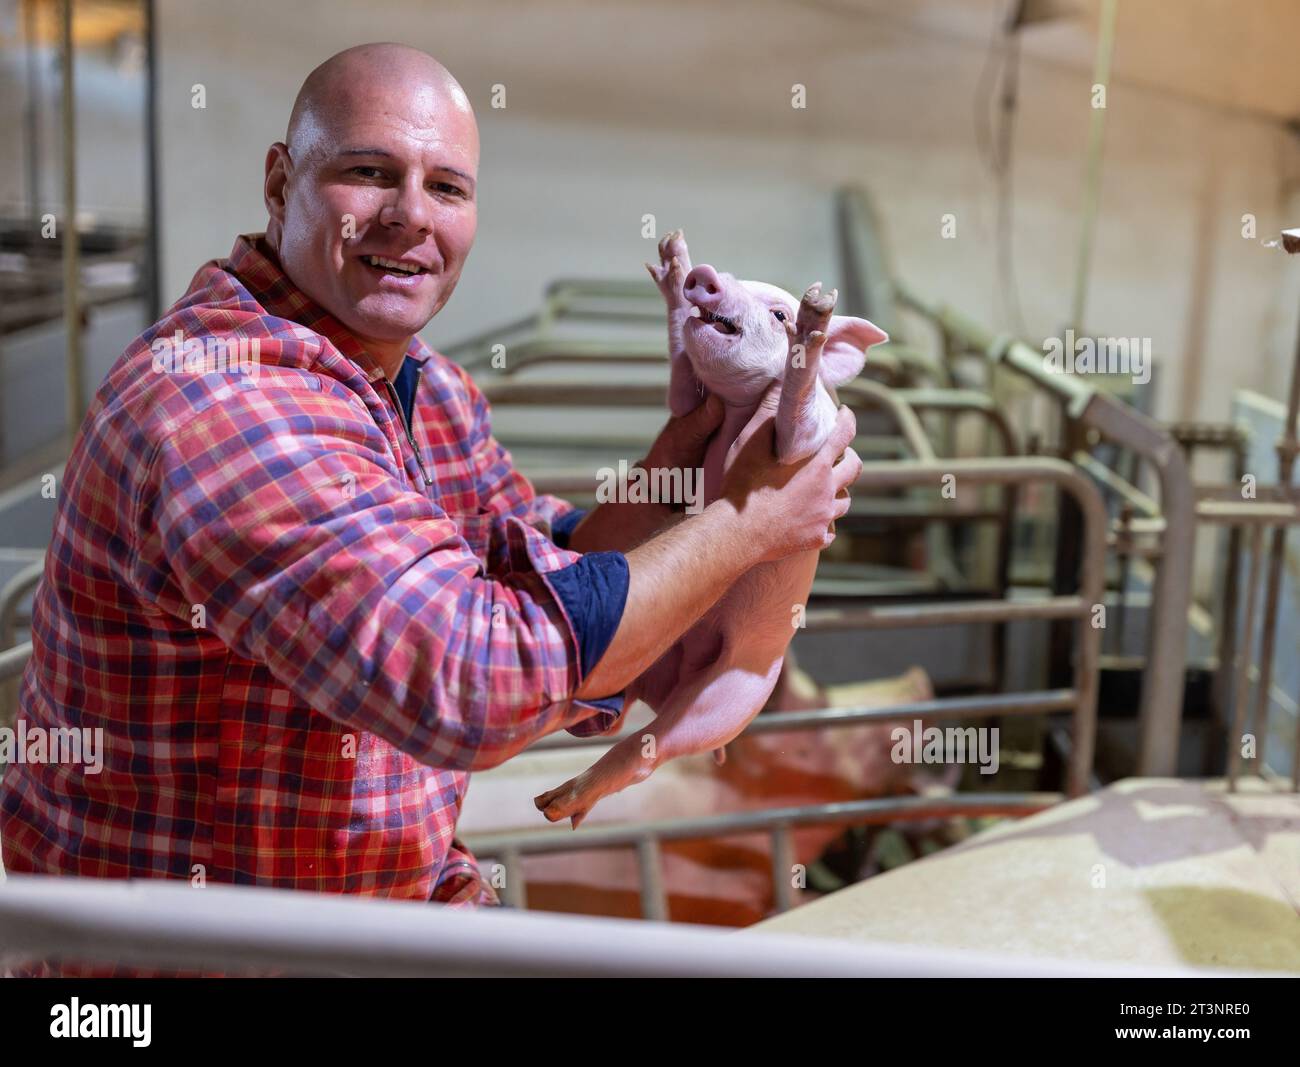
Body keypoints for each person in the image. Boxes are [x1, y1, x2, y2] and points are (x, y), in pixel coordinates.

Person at [0, 42, 859, 974]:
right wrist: (751, 525)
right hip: (186, 959)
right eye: (368, 173)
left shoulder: (422, 384)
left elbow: (539, 560)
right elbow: (472, 681)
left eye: (446, 187)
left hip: (379, 909)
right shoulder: (223, 406)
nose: (411, 216)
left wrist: (685, 453)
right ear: (280, 183)